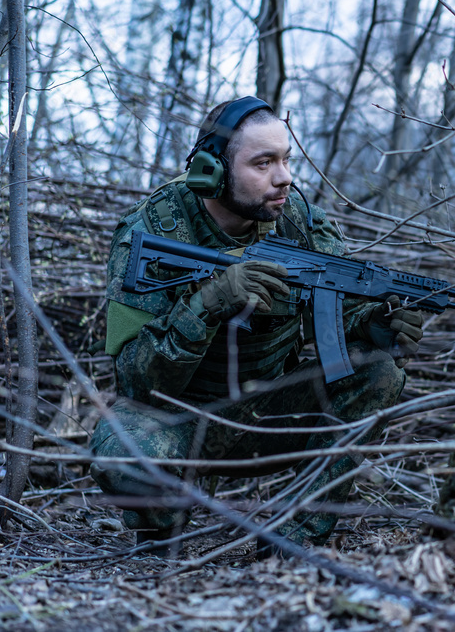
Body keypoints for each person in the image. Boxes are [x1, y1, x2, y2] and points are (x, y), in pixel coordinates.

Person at [89, 96, 424, 557]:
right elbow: (133, 379)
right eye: (263, 163)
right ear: (213, 170)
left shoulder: (300, 225)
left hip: (271, 417)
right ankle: (164, 526)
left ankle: (297, 539)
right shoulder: (154, 232)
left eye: (285, 160)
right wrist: (208, 304)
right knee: (124, 450)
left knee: (379, 370)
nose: (284, 177)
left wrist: (375, 324)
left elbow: (336, 316)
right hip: (181, 423)